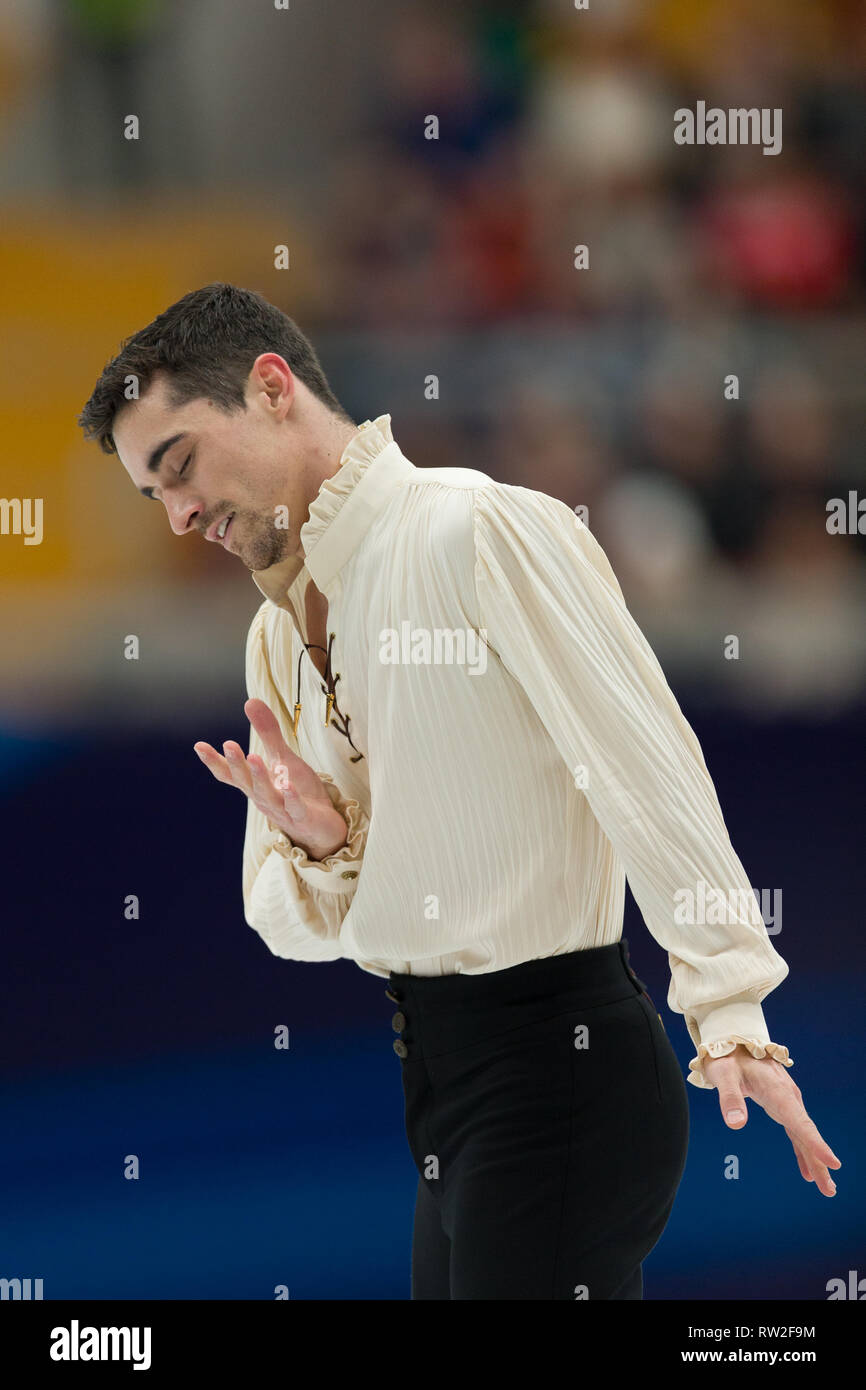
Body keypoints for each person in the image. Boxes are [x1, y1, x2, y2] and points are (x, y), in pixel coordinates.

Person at [78, 282, 840, 1300]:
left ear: (270, 388)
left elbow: (644, 763)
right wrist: (329, 844)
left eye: (177, 467)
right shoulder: (274, 632)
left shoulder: (480, 530)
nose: (177, 516)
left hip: (562, 1075)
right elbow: (292, 927)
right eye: (151, 496)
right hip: (444, 1087)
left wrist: (730, 1008)